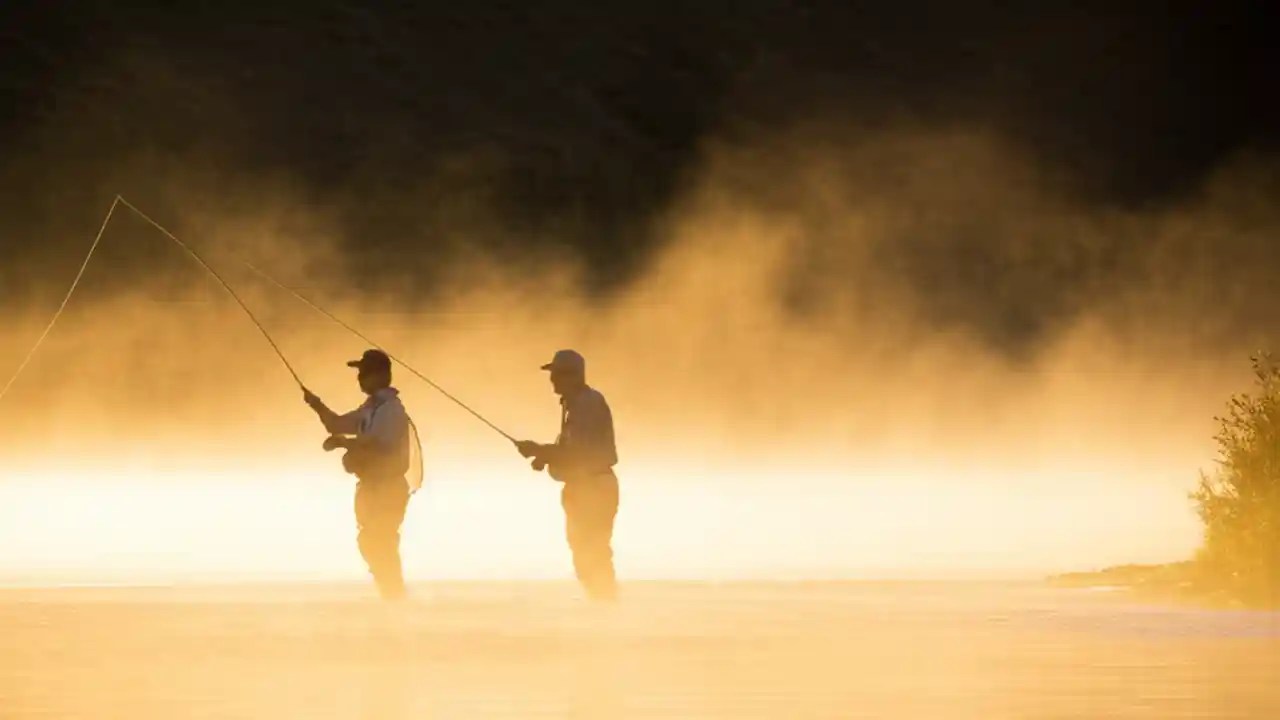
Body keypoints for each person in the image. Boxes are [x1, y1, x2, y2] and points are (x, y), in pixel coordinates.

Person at [303, 349, 412, 600]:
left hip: (388, 487)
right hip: (370, 487)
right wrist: (317, 405)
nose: (360, 378)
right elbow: (337, 424)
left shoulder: (391, 409)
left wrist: (345, 444)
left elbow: (379, 445)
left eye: (365, 372)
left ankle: (395, 596)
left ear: (382, 375)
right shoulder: (371, 408)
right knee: (369, 541)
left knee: (379, 540)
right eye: (360, 373)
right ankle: (391, 595)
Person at [516, 349, 620, 602]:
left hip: (594, 487)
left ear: (571, 376)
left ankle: (606, 604)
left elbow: (580, 451)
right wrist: (544, 456)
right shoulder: (577, 403)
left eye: (557, 375)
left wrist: (541, 451)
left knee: (592, 551)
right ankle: (602, 603)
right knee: (584, 552)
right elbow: (572, 449)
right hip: (585, 487)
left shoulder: (587, 404)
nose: (552, 380)